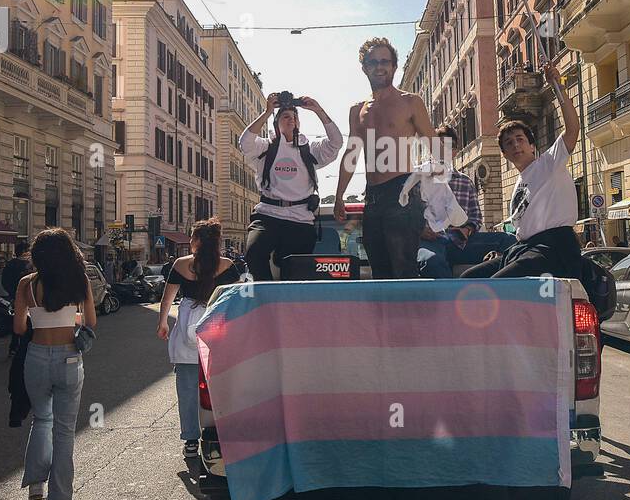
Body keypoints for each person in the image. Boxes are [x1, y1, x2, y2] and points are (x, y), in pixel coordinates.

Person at [463, 59, 583, 280]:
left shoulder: (549, 163)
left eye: (520, 139)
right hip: (525, 249)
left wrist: (559, 87)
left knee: (496, 285)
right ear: (505, 154)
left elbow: (573, 129)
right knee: (468, 278)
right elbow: (523, 227)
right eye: (509, 143)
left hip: (553, 248)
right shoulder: (519, 184)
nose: (515, 145)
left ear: (532, 145)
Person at [334, 37, 436, 279]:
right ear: (364, 68)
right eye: (373, 62)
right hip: (372, 197)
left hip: (402, 191)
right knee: (379, 270)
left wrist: (435, 201)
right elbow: (351, 154)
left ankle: (409, 317)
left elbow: (436, 146)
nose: (379, 67)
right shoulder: (356, 110)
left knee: (403, 271)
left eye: (384, 62)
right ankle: (386, 317)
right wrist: (339, 196)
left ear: (393, 67)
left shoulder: (410, 102)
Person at [13, 228, 96, 500]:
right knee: (64, 431)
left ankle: (36, 483)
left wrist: (40, 316)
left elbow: (19, 328)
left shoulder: (26, 283)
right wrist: (69, 316)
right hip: (69, 357)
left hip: (36, 356)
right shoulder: (79, 280)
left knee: (41, 419)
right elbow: (91, 320)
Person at [155, 219, 242, 459]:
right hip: (218, 329)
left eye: (192, 237)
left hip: (187, 330)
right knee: (221, 386)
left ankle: (191, 440)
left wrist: (163, 322)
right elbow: (237, 300)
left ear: (197, 241)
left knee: (187, 389)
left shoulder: (181, 265)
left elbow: (166, 298)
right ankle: (219, 432)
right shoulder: (227, 265)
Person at [240, 92, 342, 281]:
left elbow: (336, 142)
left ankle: (287, 303)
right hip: (268, 215)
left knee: (292, 269)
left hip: (300, 218)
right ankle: (268, 297)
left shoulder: (309, 149)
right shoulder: (265, 147)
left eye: (295, 117)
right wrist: (267, 111)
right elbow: (244, 142)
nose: (291, 120)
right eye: (286, 116)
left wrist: (319, 110)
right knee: (253, 253)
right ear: (276, 123)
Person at [416, 124, 515, 278]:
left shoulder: (465, 182)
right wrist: (420, 229)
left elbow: (476, 217)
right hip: (429, 242)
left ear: (455, 151)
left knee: (508, 240)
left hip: (460, 243)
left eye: (449, 147)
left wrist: (467, 229)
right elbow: (405, 214)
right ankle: (449, 299)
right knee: (432, 262)